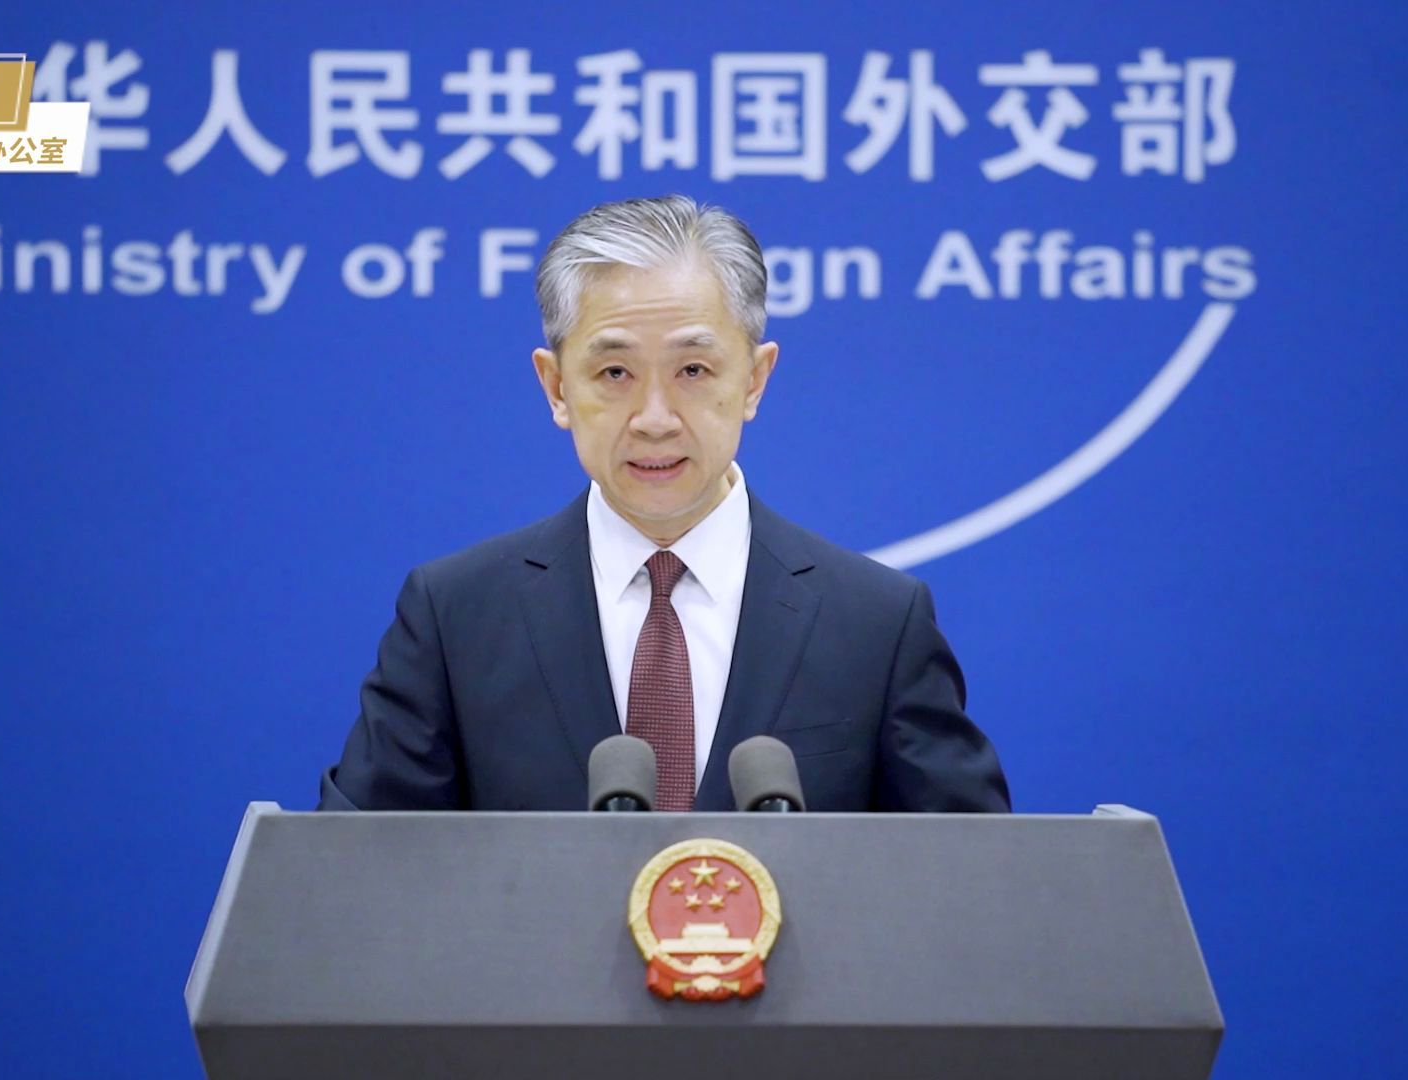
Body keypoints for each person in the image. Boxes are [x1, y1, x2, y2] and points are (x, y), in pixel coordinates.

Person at [319, 195, 1008, 813]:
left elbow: (973, 881)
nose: (654, 418)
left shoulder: (877, 625)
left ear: (754, 379)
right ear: (556, 387)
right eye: (614, 372)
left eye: (693, 370)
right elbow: (349, 878)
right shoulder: (456, 618)